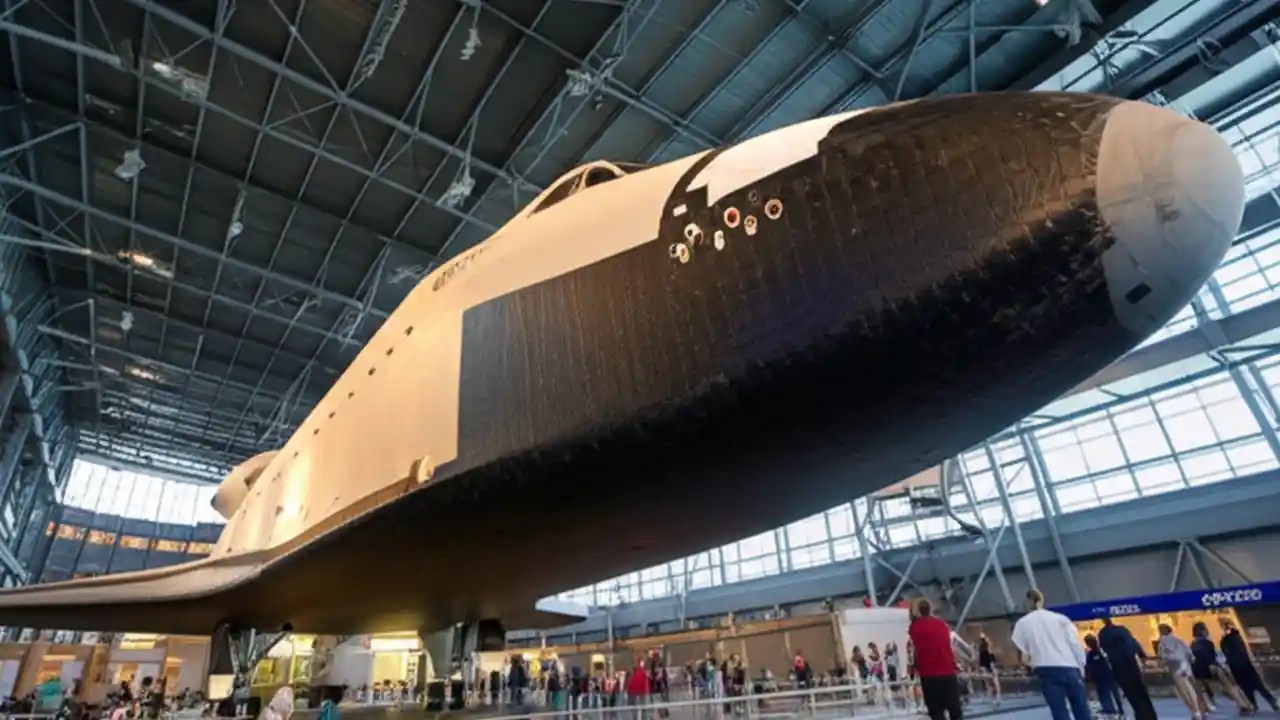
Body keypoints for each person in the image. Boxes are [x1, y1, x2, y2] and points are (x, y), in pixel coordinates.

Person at [1010, 589, 1091, 720]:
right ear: (1042, 600)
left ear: (1027, 602)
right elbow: (1075, 645)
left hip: (1046, 669)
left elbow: (1025, 656)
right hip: (1070, 667)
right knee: (1081, 709)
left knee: (1059, 711)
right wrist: (1081, 667)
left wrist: (1035, 663)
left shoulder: (1022, 624)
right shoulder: (1060, 619)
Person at [908, 597, 963, 720]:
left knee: (936, 712)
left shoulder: (915, 627)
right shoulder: (942, 625)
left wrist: (914, 668)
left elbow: (917, 649)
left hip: (929, 675)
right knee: (956, 712)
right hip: (948, 673)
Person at [1097, 618, 1157, 720]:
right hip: (1131, 662)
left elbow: (1105, 650)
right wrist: (1142, 655)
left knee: (1131, 694)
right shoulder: (1122, 630)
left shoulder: (1103, 634)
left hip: (1119, 665)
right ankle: (1150, 715)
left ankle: (1141, 715)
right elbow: (1133, 642)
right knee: (1141, 691)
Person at [1191, 621, 1253, 714]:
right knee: (1229, 686)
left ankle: (1202, 710)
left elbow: (1193, 658)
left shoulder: (1193, 644)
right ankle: (1243, 705)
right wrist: (1222, 667)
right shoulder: (1207, 643)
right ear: (1204, 631)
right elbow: (1211, 657)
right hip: (1211, 667)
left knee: (1198, 692)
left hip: (1197, 670)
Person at [1221, 622, 1278, 712]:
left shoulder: (1223, 641)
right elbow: (1245, 652)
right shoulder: (1238, 638)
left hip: (1235, 667)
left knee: (1246, 687)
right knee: (1258, 685)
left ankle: (1254, 704)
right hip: (1245, 664)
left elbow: (1226, 654)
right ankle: (1271, 702)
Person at [1157, 623, 1206, 720]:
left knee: (1183, 690)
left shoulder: (1163, 640)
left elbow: (1164, 654)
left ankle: (1195, 711)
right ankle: (1199, 710)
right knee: (1189, 687)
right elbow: (1189, 652)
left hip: (1175, 665)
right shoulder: (1178, 639)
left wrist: (1163, 661)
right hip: (1185, 664)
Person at [1084, 634, 1124, 719]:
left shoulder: (1102, 651)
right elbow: (1088, 666)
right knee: (1105, 693)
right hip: (1100, 677)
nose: (1088, 644)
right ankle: (1109, 709)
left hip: (1108, 675)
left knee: (1113, 693)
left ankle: (1117, 709)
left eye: (1089, 642)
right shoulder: (1091, 653)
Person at [978, 636, 1001, 706]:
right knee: (993, 685)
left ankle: (994, 698)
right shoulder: (986, 651)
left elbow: (985, 661)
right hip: (988, 669)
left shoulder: (983, 651)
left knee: (990, 685)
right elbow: (992, 661)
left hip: (986, 669)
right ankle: (996, 699)